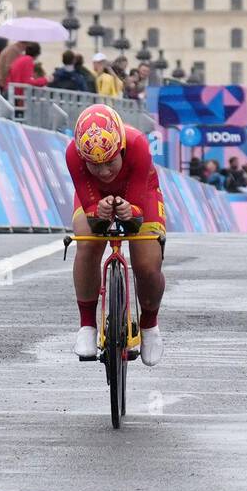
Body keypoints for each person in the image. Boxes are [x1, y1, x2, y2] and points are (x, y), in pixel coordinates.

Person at [66, 105, 166, 365]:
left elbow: (136, 207)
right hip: (94, 196)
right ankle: (87, 325)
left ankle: (149, 326)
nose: (105, 172)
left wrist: (128, 210)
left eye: (110, 162)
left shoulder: (138, 145)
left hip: (141, 191)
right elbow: (89, 205)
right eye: (95, 165)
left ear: (120, 148)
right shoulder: (72, 155)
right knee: (86, 245)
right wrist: (95, 211)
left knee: (146, 264)